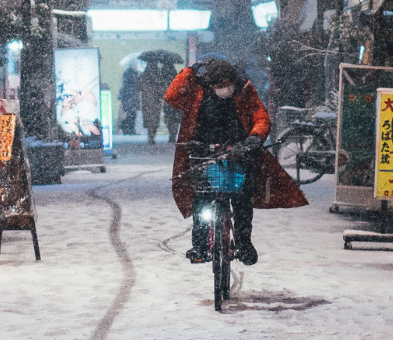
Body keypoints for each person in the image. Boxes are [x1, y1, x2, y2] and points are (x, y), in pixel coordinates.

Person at [166, 58, 308, 266]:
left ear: (233, 81)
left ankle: (244, 243)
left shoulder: (245, 91)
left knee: (242, 198)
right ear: (210, 84)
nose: (224, 89)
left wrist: (254, 138)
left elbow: (260, 116)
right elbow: (171, 96)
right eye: (219, 86)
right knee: (202, 197)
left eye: (227, 84)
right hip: (203, 148)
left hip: (239, 149)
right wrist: (189, 70)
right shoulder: (198, 92)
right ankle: (200, 245)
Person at [138, 60, 176, 144]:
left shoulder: (145, 73)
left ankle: (151, 137)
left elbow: (139, 87)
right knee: (164, 118)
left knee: (151, 118)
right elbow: (161, 86)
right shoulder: (168, 73)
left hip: (148, 101)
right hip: (158, 100)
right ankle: (172, 135)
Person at [117, 64, 140, 136]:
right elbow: (132, 84)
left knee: (131, 113)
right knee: (131, 114)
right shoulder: (130, 73)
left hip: (130, 96)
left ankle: (128, 129)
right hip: (130, 96)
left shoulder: (128, 73)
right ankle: (128, 129)